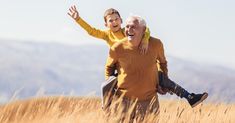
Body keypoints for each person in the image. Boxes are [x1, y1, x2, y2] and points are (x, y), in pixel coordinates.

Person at [67, 6, 208, 109]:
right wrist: (78, 19)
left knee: (162, 78)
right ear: (106, 24)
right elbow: (91, 31)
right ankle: (107, 105)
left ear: (121, 20)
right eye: (111, 20)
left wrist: (145, 40)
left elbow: (145, 29)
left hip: (141, 67)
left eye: (116, 19)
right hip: (122, 71)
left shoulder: (128, 30)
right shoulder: (106, 35)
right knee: (107, 85)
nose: (114, 22)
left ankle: (189, 97)